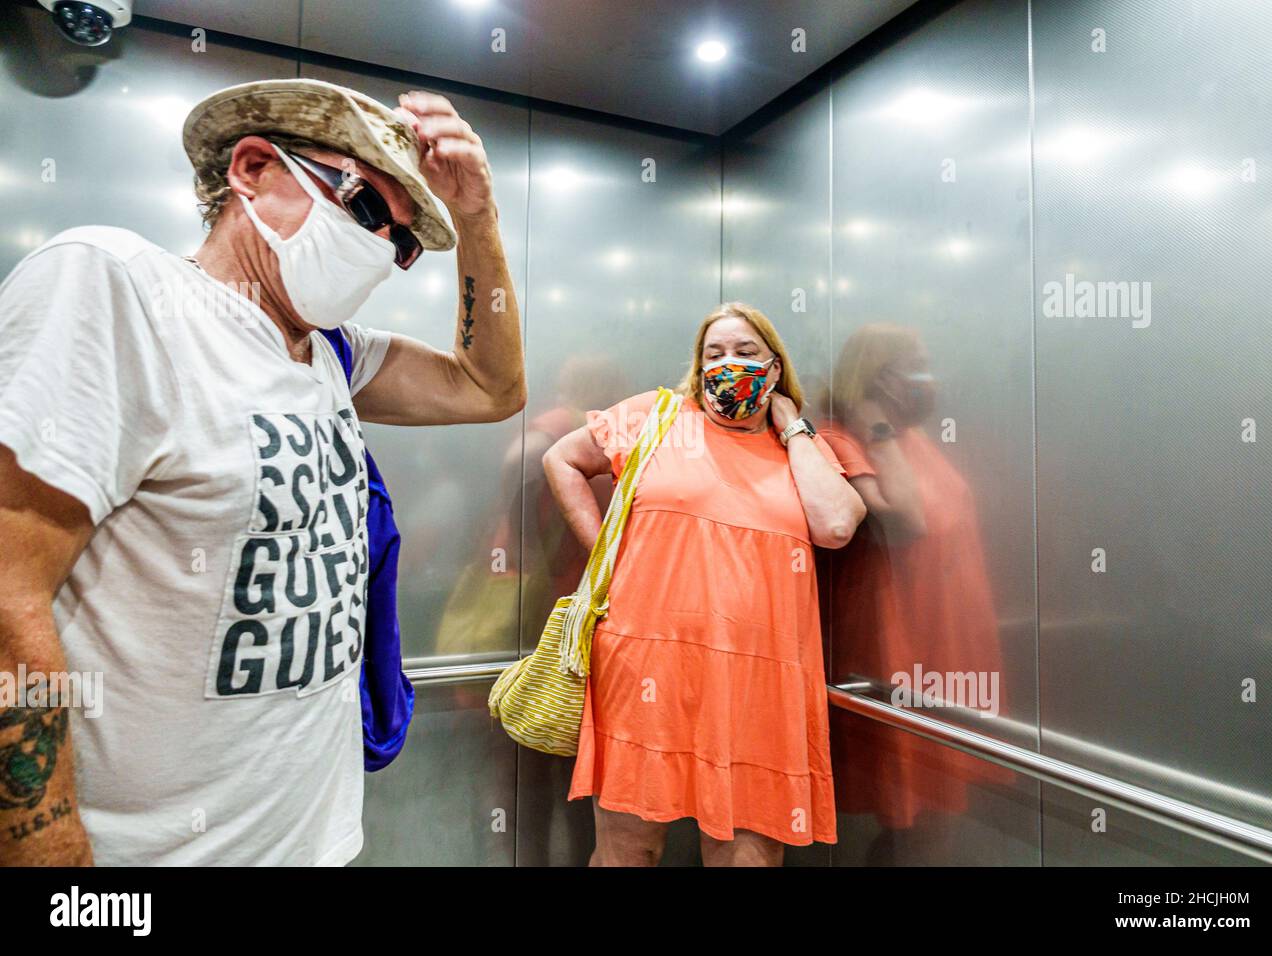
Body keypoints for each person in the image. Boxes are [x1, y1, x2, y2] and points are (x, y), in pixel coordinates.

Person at [0, 78, 525, 865]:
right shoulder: (121, 287)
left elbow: (491, 388)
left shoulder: (331, 353)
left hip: (313, 843)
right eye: (368, 209)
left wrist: (478, 216)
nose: (383, 250)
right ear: (251, 168)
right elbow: (8, 589)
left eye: (403, 244)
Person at [543, 302, 865, 866]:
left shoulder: (800, 446)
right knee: (627, 848)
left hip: (760, 677)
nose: (727, 365)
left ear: (774, 367)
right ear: (697, 365)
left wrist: (791, 427)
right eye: (714, 354)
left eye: (745, 353)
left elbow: (837, 526)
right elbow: (561, 459)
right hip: (647, 664)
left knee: (746, 855)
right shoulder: (656, 415)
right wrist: (605, 555)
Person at [814, 323, 1015, 860]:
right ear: (878, 375)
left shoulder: (912, 437)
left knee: (936, 812)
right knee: (915, 808)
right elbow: (906, 521)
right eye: (915, 365)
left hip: (949, 634)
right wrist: (874, 427)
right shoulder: (845, 437)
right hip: (897, 637)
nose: (927, 378)